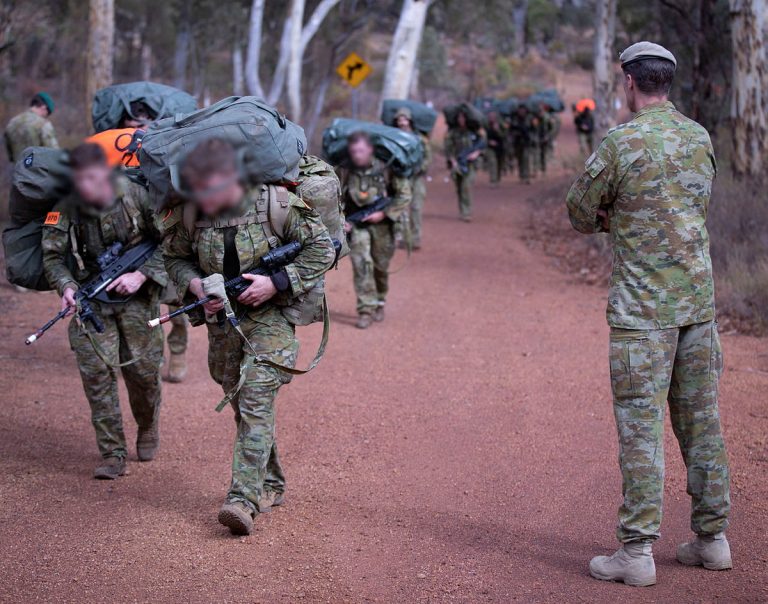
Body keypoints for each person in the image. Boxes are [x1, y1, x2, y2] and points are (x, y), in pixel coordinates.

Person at [566, 41, 731, 587]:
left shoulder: (621, 142)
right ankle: (713, 540)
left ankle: (636, 553)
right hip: (697, 308)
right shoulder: (698, 136)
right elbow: (693, 204)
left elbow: (580, 212)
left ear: (629, 82)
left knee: (642, 430)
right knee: (702, 424)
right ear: (668, 82)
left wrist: (620, 216)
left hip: (643, 315)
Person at [163, 138, 336, 535]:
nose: (199, 200)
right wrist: (195, 288)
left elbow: (322, 249)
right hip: (223, 319)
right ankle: (271, 482)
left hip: (272, 316)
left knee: (256, 394)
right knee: (239, 397)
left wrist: (277, 282)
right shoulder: (191, 214)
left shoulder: (276, 203)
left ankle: (242, 499)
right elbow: (173, 257)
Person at [41, 143, 166, 480]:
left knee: (143, 372)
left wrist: (140, 275)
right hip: (91, 298)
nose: (87, 188)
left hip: (138, 297)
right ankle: (112, 452)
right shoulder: (66, 207)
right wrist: (66, 286)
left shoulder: (137, 196)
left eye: (93, 179)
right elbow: (52, 257)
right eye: (79, 181)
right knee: (97, 375)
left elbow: (172, 241)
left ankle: (148, 424)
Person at [339, 131, 411, 329]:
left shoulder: (387, 168)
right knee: (362, 263)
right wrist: (340, 221)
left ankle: (380, 300)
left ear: (370, 149)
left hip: (383, 225)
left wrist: (384, 214)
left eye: (361, 150)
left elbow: (404, 195)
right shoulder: (345, 170)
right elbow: (335, 197)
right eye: (354, 151)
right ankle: (366, 309)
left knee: (380, 266)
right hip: (357, 225)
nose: (357, 155)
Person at [393, 106, 431, 249]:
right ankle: (403, 238)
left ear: (409, 120)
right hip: (400, 177)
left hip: (416, 177)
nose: (402, 122)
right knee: (401, 208)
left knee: (416, 208)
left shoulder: (420, 139)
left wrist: (420, 168)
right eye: (399, 119)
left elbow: (427, 157)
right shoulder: (393, 136)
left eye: (404, 119)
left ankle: (415, 239)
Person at [444, 110, 484, 221]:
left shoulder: (474, 132)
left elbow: (482, 145)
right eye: (459, 118)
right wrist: (452, 160)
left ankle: (467, 212)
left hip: (471, 164)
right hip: (457, 163)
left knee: (466, 186)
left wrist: (476, 153)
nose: (461, 120)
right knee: (459, 187)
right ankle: (462, 210)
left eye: (463, 117)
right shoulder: (453, 132)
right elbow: (448, 147)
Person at [4, 92, 59, 163]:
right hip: (37, 172)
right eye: (47, 114)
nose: (46, 116)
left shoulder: (12, 123)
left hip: (18, 171)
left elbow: (10, 156)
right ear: (44, 107)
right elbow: (54, 154)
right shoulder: (43, 124)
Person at [508, 104, 533, 184]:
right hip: (517, 142)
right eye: (520, 110)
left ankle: (526, 176)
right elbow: (510, 130)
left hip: (526, 142)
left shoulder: (529, 119)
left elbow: (534, 129)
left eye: (523, 110)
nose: (521, 112)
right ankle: (521, 175)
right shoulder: (514, 119)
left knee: (526, 158)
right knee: (520, 159)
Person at [485, 110, 506, 186]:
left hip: (500, 147)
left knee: (499, 163)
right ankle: (493, 180)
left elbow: (504, 136)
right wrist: (488, 142)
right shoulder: (486, 125)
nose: (491, 118)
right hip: (490, 147)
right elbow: (482, 136)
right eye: (490, 117)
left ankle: (497, 179)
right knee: (492, 162)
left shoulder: (501, 124)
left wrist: (497, 130)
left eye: (493, 117)